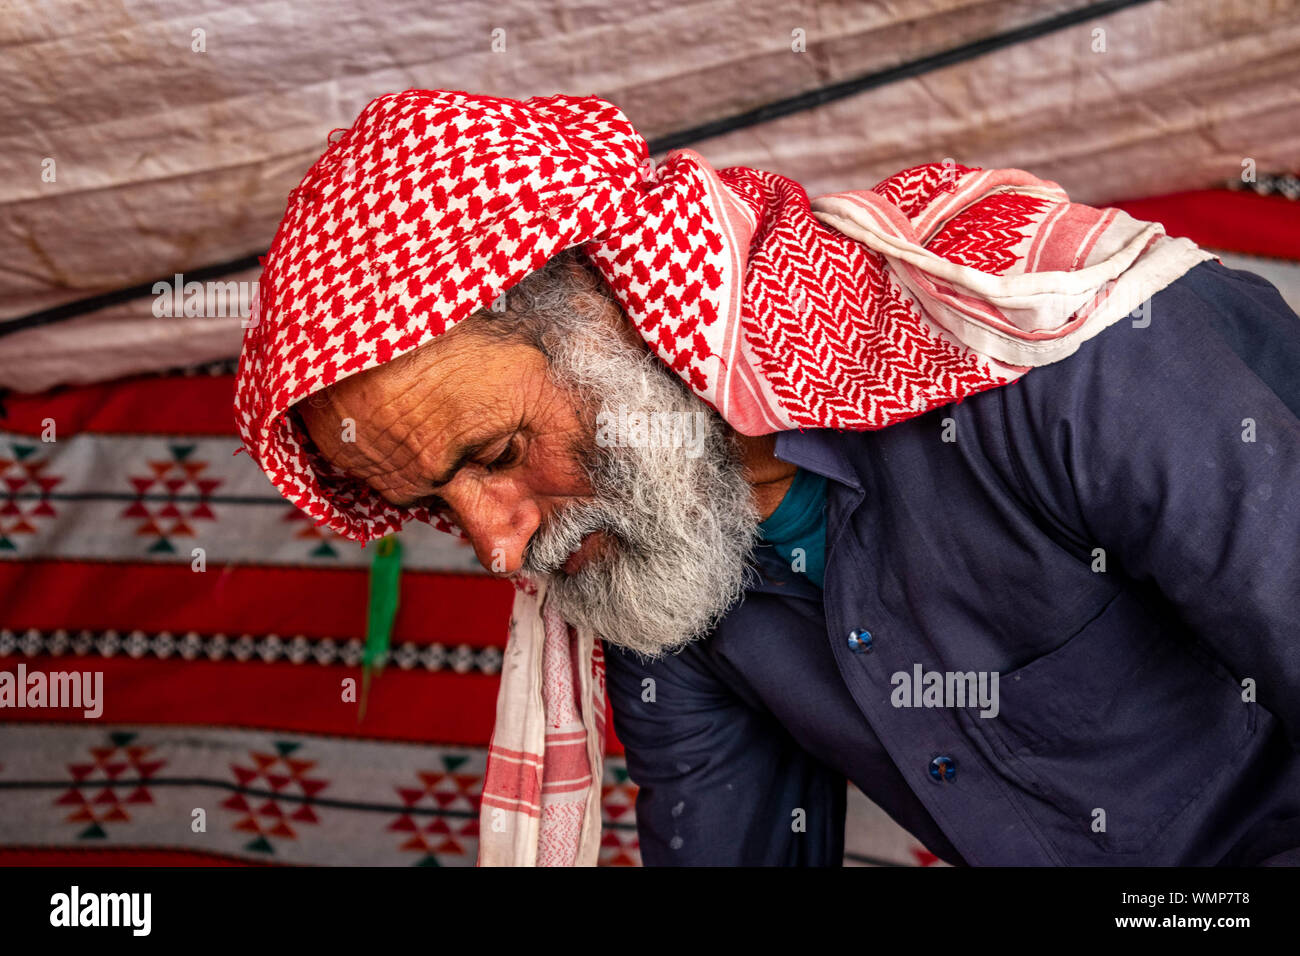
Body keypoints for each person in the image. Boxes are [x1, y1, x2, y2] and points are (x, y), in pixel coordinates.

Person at [236, 89, 1300, 866]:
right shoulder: (655, 576)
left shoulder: (1074, 357)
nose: (501, 548)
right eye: (435, 505)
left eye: (497, 455)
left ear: (613, 312)